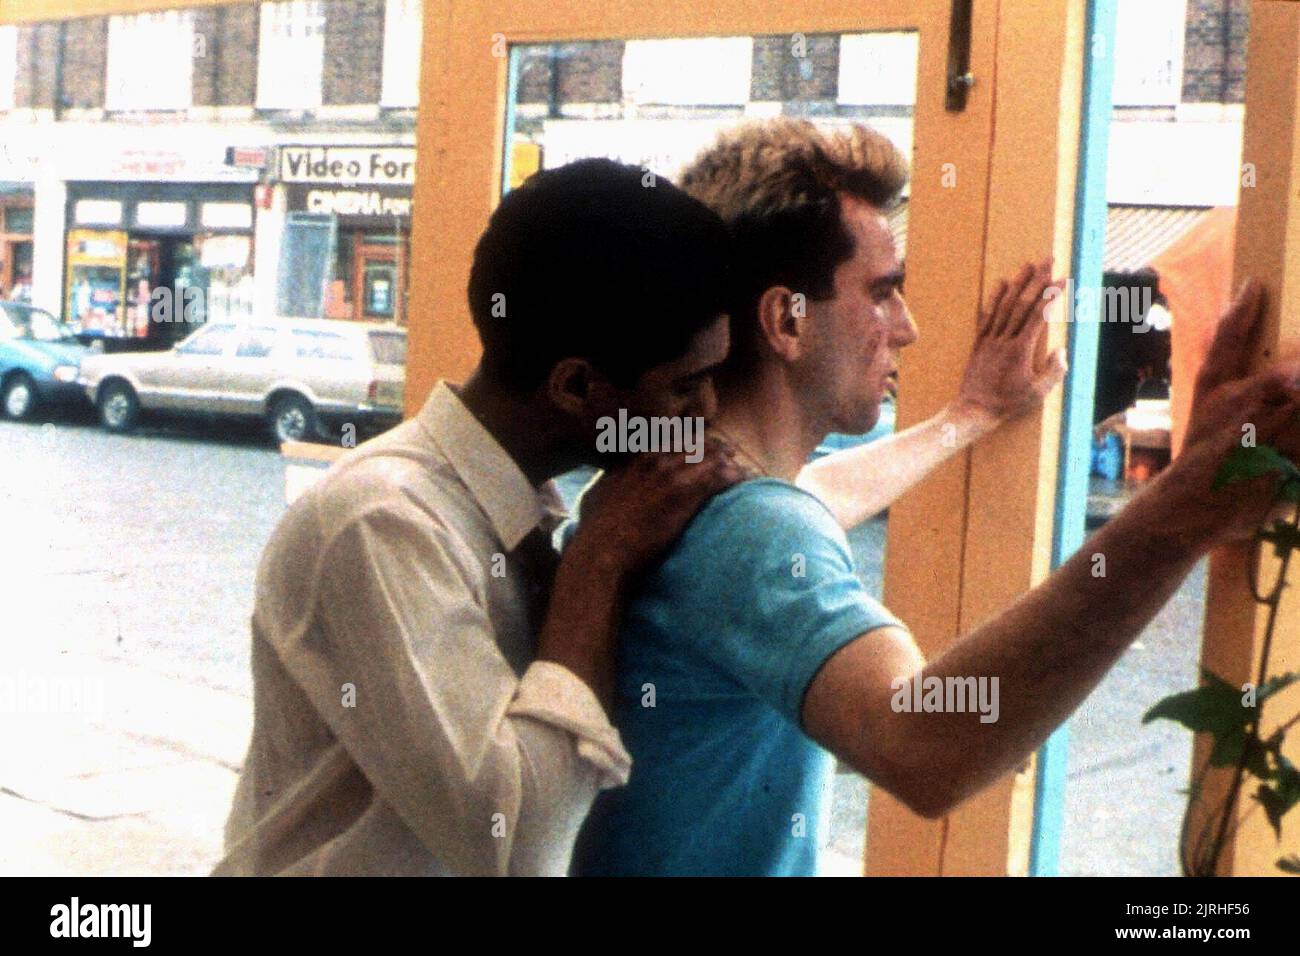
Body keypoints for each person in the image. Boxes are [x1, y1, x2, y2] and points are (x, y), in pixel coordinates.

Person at [571, 119, 1300, 876]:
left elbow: (815, 493)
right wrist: (1185, 507)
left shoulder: (675, 483)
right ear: (784, 320)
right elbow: (926, 743)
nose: (908, 328)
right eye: (884, 293)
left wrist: (969, 416)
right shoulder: (753, 532)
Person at [214, 158, 745, 876]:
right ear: (578, 385)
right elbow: (517, 843)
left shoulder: (515, 512)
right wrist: (600, 559)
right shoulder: (382, 521)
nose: (708, 413)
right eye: (687, 386)